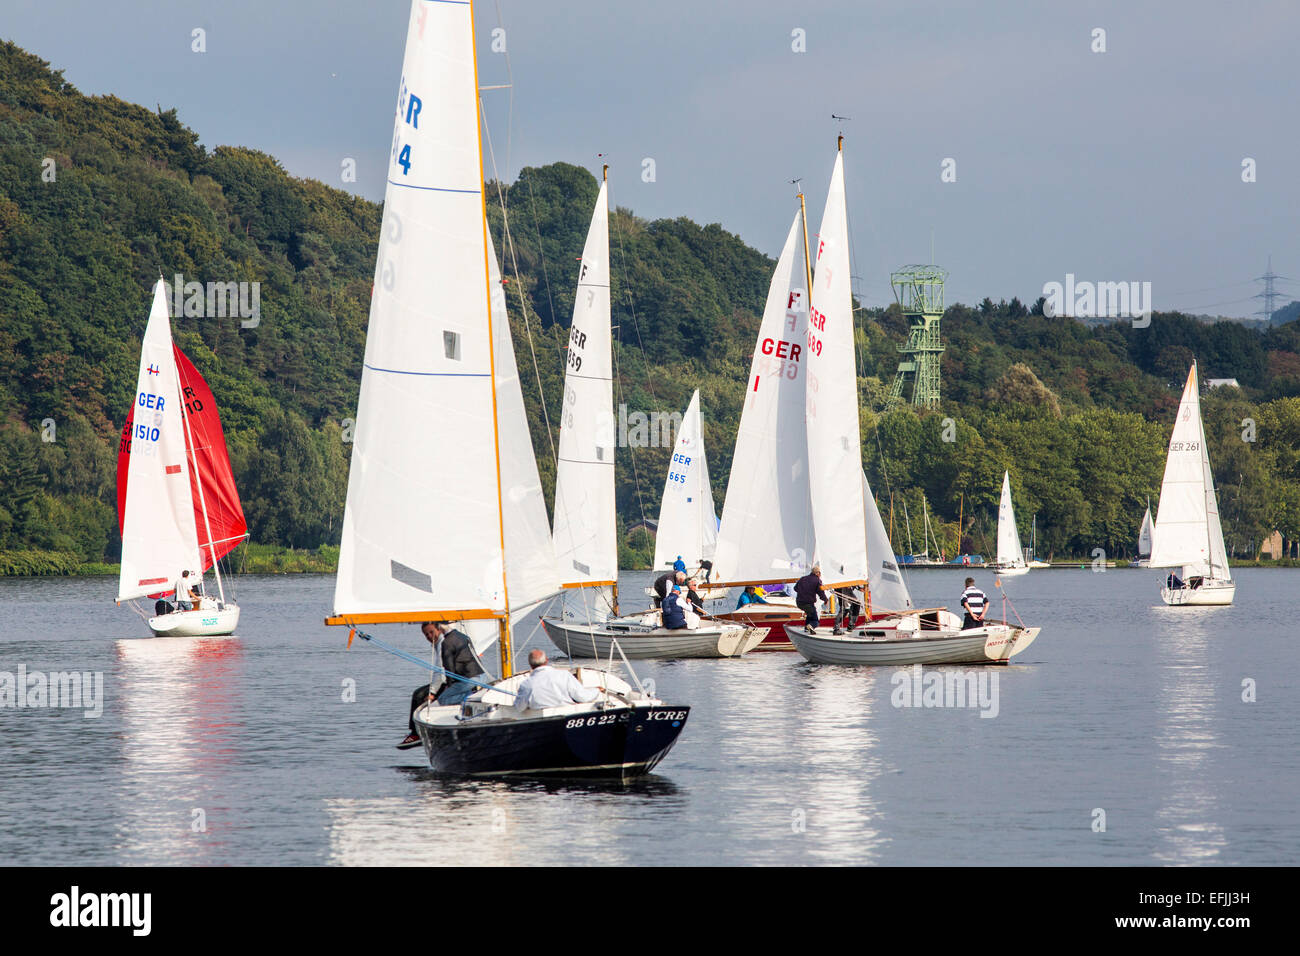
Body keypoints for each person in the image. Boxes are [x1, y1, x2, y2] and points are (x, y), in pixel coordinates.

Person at [399, 620, 487, 749]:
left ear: (439, 629)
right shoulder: (453, 637)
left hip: (463, 679)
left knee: (421, 695)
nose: (429, 636)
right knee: (421, 693)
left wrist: (432, 693)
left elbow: (441, 672)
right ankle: (415, 733)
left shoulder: (443, 643)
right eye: (426, 634)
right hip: (473, 676)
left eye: (431, 632)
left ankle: (416, 734)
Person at [515, 649, 600, 710]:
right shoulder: (564, 675)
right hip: (567, 716)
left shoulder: (526, 684)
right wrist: (596, 690)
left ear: (530, 664)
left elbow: (519, 707)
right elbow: (583, 697)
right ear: (546, 661)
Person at [794, 565, 827, 632]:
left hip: (799, 602)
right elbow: (820, 592)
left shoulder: (802, 578)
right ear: (817, 573)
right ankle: (811, 626)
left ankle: (806, 629)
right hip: (808, 603)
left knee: (810, 614)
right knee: (815, 621)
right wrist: (825, 600)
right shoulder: (817, 580)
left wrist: (803, 592)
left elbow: (795, 588)